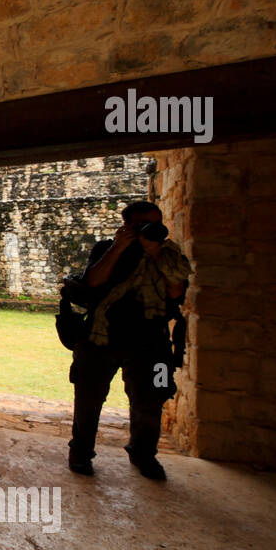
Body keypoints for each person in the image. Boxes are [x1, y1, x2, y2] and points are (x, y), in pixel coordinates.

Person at [63, 200, 191, 481]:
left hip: (152, 342)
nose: (150, 229)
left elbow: (175, 292)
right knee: (88, 398)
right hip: (101, 337)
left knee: (150, 400)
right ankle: (81, 452)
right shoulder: (106, 249)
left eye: (155, 223)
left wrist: (155, 251)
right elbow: (93, 282)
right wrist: (118, 247)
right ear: (127, 226)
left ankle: (145, 454)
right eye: (141, 224)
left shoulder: (169, 256)